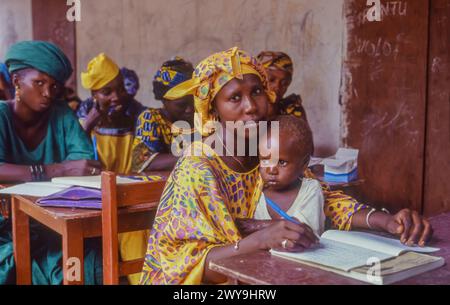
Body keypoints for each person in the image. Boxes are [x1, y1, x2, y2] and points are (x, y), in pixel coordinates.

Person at [140, 48, 433, 285]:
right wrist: (262, 238)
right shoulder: (199, 166)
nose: (251, 106)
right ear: (214, 109)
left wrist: (385, 220)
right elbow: (191, 263)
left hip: (261, 275)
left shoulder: (267, 146)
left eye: (256, 92)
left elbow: (321, 198)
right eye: (234, 98)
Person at [0, 40, 102, 284]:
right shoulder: (1, 115)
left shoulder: (61, 113)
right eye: (39, 83)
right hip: (7, 226)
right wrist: (59, 169)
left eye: (54, 86)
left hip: (56, 218)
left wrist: (24, 173)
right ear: (16, 81)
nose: (48, 93)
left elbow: (85, 163)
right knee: (12, 261)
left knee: (92, 258)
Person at [256, 115, 325, 237]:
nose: (271, 170)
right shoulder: (255, 191)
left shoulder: (310, 190)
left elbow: (303, 233)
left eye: (282, 162)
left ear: (304, 164)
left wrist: (258, 225)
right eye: (265, 160)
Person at [78, 53, 145, 175]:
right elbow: (76, 160)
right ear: (94, 95)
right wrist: (87, 126)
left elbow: (143, 162)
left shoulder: (137, 115)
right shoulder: (83, 121)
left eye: (120, 89)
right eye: (107, 92)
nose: (116, 97)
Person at [131, 57, 196, 173]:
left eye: (195, 101)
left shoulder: (203, 117)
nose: (190, 109)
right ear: (164, 100)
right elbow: (141, 162)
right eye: (182, 105)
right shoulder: (151, 118)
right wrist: (195, 158)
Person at [257, 51, 306, 120]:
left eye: (284, 83)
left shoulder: (292, 110)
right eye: (271, 80)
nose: (277, 87)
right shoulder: (244, 108)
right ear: (257, 79)